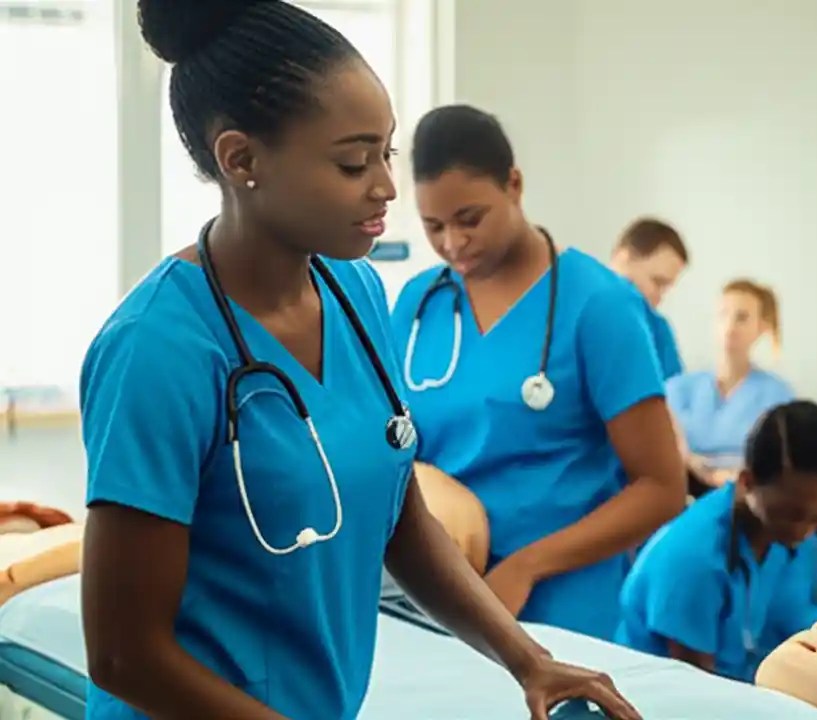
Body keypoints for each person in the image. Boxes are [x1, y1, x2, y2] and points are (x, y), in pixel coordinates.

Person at [78, 5, 642, 719]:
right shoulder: (156, 349)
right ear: (241, 159)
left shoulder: (356, 293)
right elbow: (124, 655)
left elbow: (399, 517)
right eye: (352, 162)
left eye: (386, 152)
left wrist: (529, 661)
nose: (385, 186)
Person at [391, 104, 686, 641]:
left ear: (514, 185)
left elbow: (661, 487)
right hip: (441, 595)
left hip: (560, 604)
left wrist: (527, 566)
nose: (453, 243)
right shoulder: (417, 305)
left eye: (470, 219)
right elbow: (387, 444)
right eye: (434, 226)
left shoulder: (599, 305)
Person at [616, 401, 817, 682]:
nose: (806, 531)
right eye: (794, 515)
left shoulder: (780, 533)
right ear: (747, 481)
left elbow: (787, 620)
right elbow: (694, 691)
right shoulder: (694, 559)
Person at [668, 279, 795, 491]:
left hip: (750, 493)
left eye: (742, 318)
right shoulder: (677, 390)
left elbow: (781, 460)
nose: (729, 326)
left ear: (762, 327)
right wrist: (696, 467)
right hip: (683, 492)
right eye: (723, 314)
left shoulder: (778, 395)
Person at [609, 217, 690, 380]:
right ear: (623, 258)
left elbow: (673, 396)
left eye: (665, 288)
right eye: (657, 281)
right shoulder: (565, 313)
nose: (659, 298)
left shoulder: (658, 330)